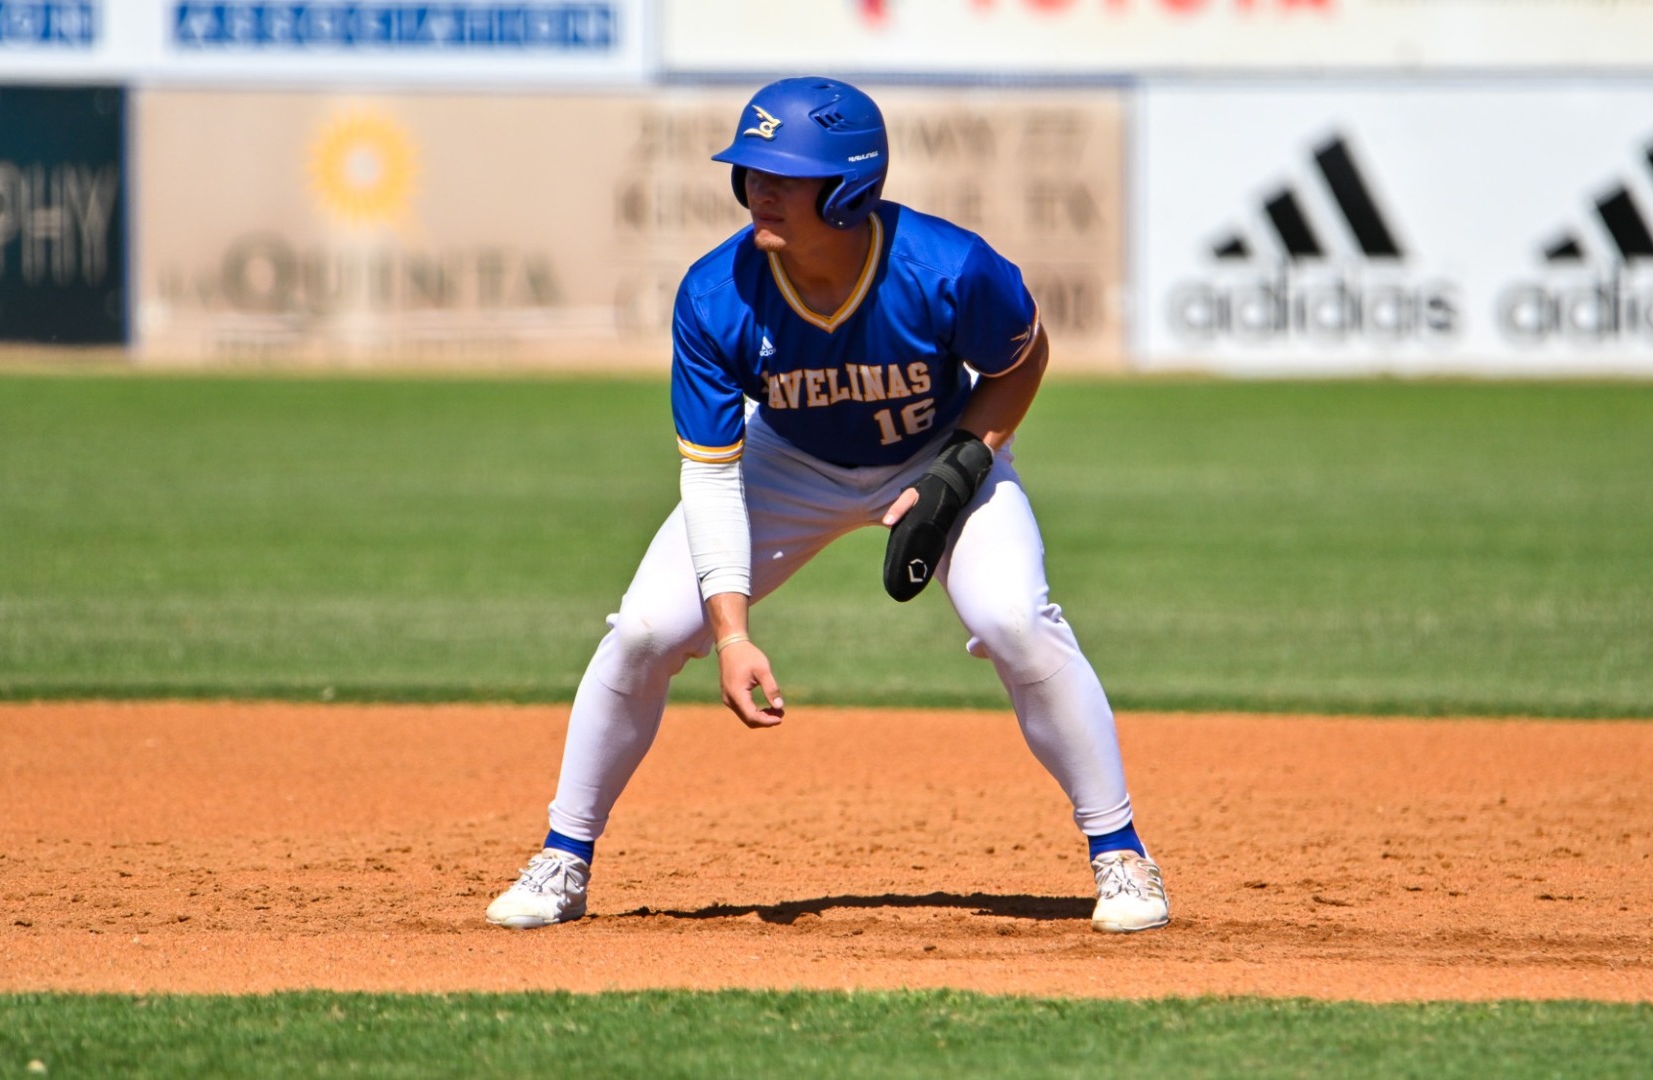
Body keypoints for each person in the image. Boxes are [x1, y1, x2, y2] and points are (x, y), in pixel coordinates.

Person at [486, 76, 1168, 934]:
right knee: (647, 631)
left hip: (935, 448)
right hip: (789, 463)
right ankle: (563, 857)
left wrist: (961, 470)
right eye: (749, 170)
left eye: (784, 173)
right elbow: (710, 474)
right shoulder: (714, 295)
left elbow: (1020, 360)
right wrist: (728, 635)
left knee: (1016, 620)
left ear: (847, 187)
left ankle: (1122, 855)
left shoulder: (951, 268)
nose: (757, 188)